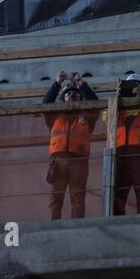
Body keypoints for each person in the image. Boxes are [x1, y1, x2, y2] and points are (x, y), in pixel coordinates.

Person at [43, 75, 98, 219]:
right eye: (68, 94)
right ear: (63, 98)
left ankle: (77, 227)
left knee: (77, 197)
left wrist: (82, 84)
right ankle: (53, 226)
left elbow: (95, 104)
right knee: (56, 198)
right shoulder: (54, 116)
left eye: (75, 93)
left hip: (78, 161)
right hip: (58, 161)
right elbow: (46, 103)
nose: (72, 95)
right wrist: (57, 83)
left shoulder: (87, 116)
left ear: (80, 98)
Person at [109, 72, 140, 215]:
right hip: (119, 155)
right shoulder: (117, 105)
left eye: (138, 86)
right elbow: (107, 120)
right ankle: (115, 224)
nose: (134, 89)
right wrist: (118, 97)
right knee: (117, 196)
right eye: (131, 86)